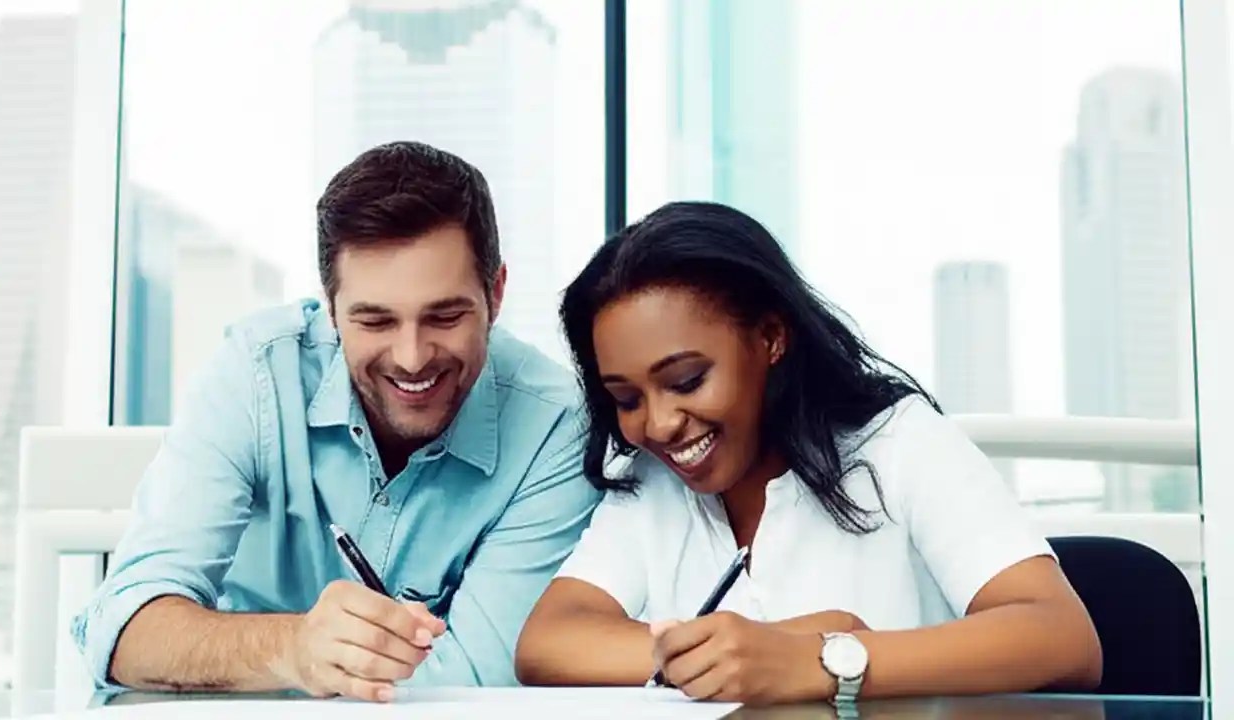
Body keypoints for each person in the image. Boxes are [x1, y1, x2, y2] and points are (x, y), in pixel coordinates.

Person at [514, 201, 1102, 705]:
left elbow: (1062, 636)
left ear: (771, 337)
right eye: (626, 397)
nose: (660, 423)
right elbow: (547, 644)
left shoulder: (900, 442)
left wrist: (825, 660)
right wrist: (748, 651)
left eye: (688, 380)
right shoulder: (648, 484)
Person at [72, 142, 601, 701]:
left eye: (445, 316)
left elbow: (479, 678)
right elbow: (123, 629)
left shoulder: (557, 427)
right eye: (374, 320)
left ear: (495, 294)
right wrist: (293, 647)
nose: (412, 357)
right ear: (329, 306)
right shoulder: (256, 373)